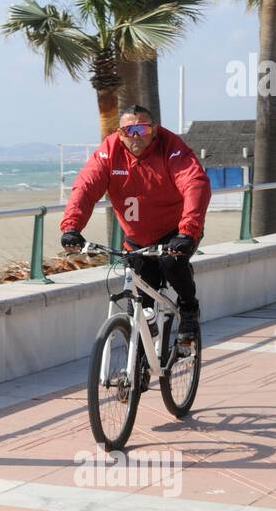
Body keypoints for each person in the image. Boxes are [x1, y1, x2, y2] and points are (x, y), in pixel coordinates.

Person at [60, 105, 212, 345]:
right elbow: (86, 187)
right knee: (140, 303)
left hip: (176, 232)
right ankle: (138, 366)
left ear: (153, 130)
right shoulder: (110, 152)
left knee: (171, 263)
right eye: (129, 130)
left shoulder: (171, 148)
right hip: (137, 238)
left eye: (142, 128)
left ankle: (189, 310)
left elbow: (195, 184)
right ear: (120, 133)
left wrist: (188, 232)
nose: (136, 135)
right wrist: (71, 227)